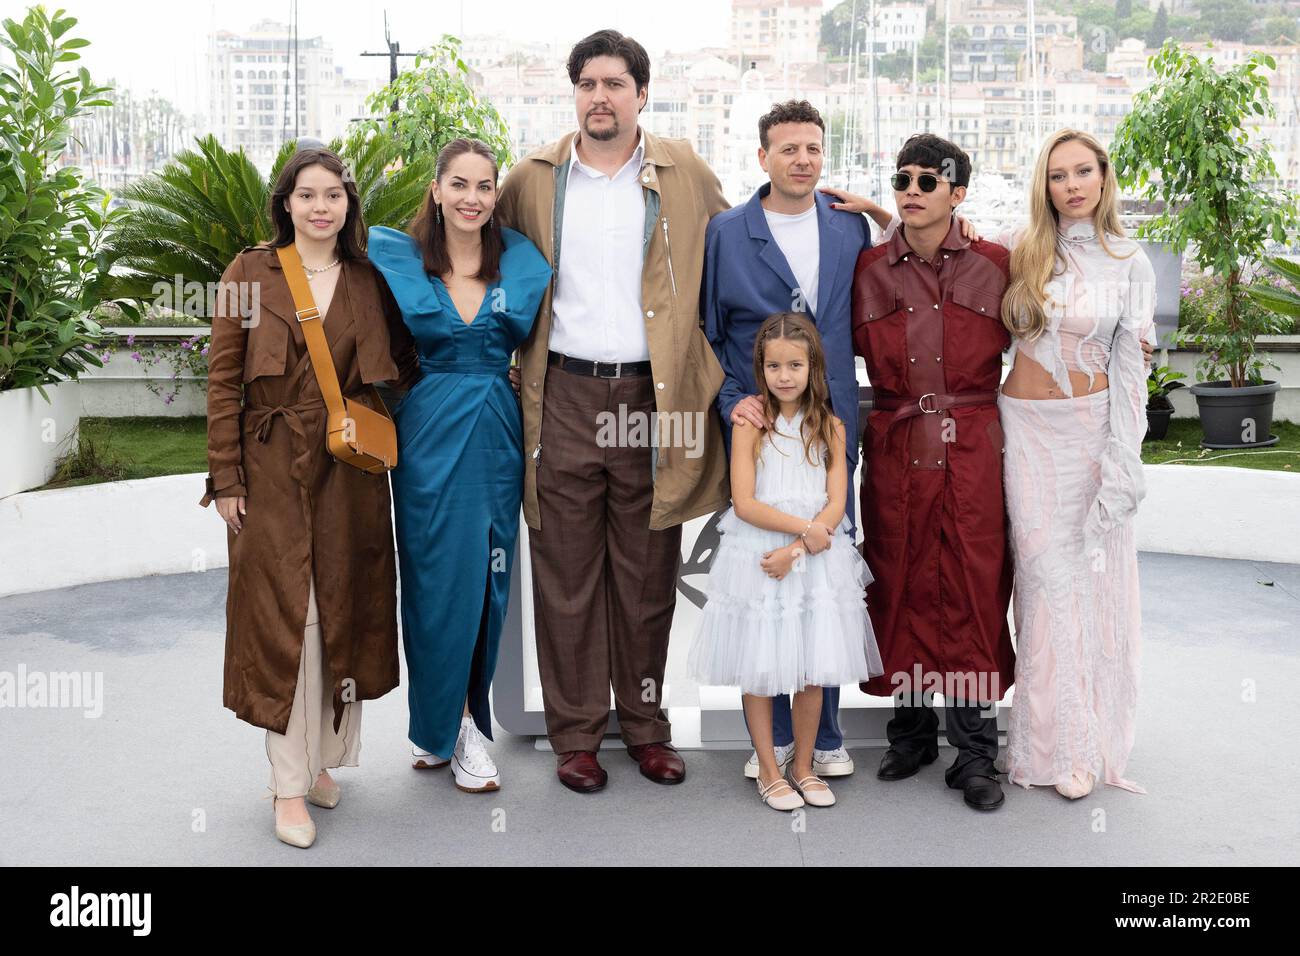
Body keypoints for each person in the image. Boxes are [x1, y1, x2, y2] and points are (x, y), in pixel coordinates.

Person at [495, 29, 731, 793]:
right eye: (587, 83)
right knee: (564, 573)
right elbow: (472, 248)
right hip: (560, 391)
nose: (600, 96)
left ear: (641, 94)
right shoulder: (531, 178)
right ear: (575, 95)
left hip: (651, 396)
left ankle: (647, 728)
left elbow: (737, 245)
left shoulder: (683, 170)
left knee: (646, 571)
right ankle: (575, 736)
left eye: (615, 83)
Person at [202, 146, 420, 847]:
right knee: (287, 620)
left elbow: (407, 367)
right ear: (285, 203)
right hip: (269, 469)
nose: (321, 207)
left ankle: (322, 762)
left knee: (340, 610)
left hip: (349, 472)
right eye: (307, 194)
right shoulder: (249, 271)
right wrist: (227, 480)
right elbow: (221, 383)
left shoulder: (367, 278)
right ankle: (286, 785)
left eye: (334, 195)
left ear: (349, 205)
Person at [367, 139, 551, 794]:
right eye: (460, 184)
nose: (473, 197)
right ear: (437, 190)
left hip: (496, 430)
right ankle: (440, 726)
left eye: (484, 186)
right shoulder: (399, 257)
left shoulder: (522, 263)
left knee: (487, 580)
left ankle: (466, 724)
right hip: (426, 434)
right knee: (433, 582)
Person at [701, 99, 870, 781]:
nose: (803, 159)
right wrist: (730, 402)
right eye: (789, 148)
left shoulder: (850, 228)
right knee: (768, 578)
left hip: (831, 428)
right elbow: (709, 332)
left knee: (823, 575)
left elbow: (897, 263)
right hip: (762, 433)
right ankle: (767, 748)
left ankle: (823, 738)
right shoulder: (727, 232)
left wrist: (886, 212)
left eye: (813, 148)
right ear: (762, 156)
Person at [847, 134, 1016, 811]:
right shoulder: (867, 269)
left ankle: (975, 753)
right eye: (901, 180)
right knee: (900, 577)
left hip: (974, 447)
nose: (911, 190)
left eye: (926, 180)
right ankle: (911, 735)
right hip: (894, 444)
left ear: (957, 192)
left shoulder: (996, 263)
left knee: (973, 586)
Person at [994, 129, 1155, 797]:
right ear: (1045, 185)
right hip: (1025, 433)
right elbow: (940, 251)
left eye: (1083, 171)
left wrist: (1125, 464)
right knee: (1040, 583)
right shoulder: (1019, 247)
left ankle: (1081, 749)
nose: (1071, 185)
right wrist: (888, 214)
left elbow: (1131, 375)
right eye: (1058, 175)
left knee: (1086, 588)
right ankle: (1042, 741)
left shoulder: (1130, 261)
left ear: (1103, 176)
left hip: (1089, 437)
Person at [689, 312, 881, 810]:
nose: (785, 376)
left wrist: (798, 548)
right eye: (774, 366)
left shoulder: (833, 427)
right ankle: (769, 772)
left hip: (809, 560)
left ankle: (804, 766)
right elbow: (745, 501)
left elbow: (836, 503)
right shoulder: (752, 426)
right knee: (761, 664)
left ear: (813, 365)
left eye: (795, 364)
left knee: (812, 670)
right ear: (761, 369)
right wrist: (803, 532)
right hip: (759, 555)